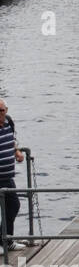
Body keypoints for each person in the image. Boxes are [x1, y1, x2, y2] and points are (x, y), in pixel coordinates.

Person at [0, 98, 23, 249]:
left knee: (13, 206)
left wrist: (16, 152)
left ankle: (6, 241)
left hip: (8, 177)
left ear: (6, 111)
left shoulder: (9, 123)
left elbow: (12, 140)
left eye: (1, 111)